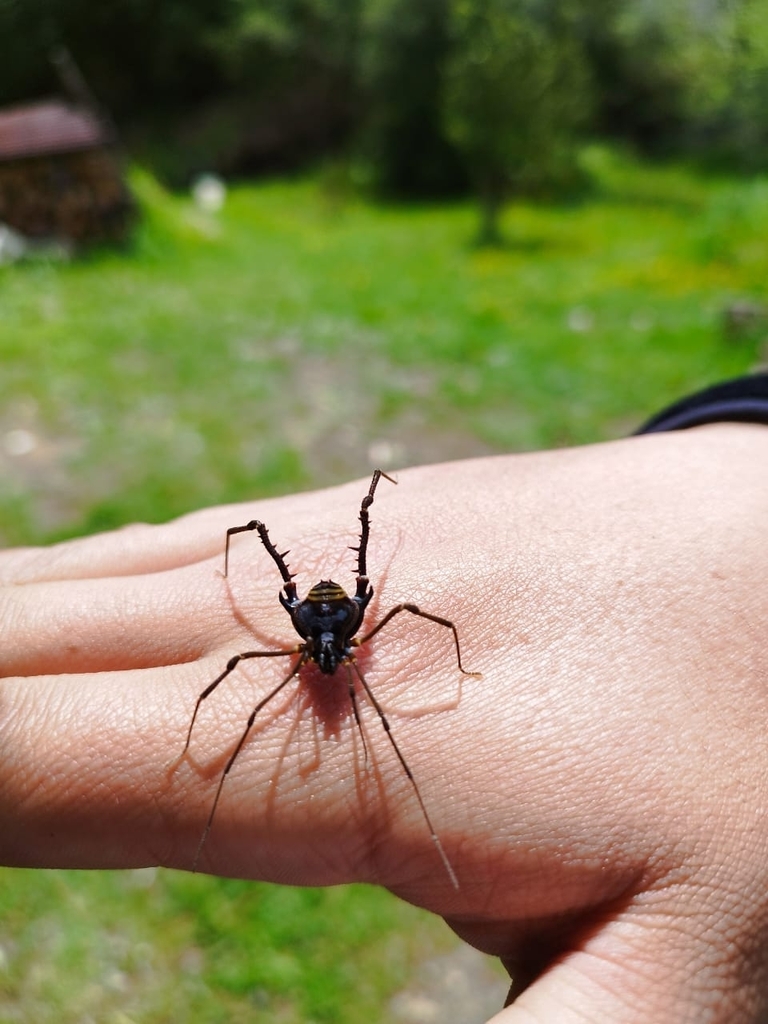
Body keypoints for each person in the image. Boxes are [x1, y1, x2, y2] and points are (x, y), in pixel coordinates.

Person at [2, 376, 768, 1023]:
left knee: (385, 735)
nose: (331, 670)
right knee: (243, 683)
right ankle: (208, 785)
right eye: (323, 658)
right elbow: (235, 672)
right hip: (319, 616)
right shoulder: (306, 649)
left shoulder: (348, 643)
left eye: (330, 658)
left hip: (337, 614)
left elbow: (414, 615)